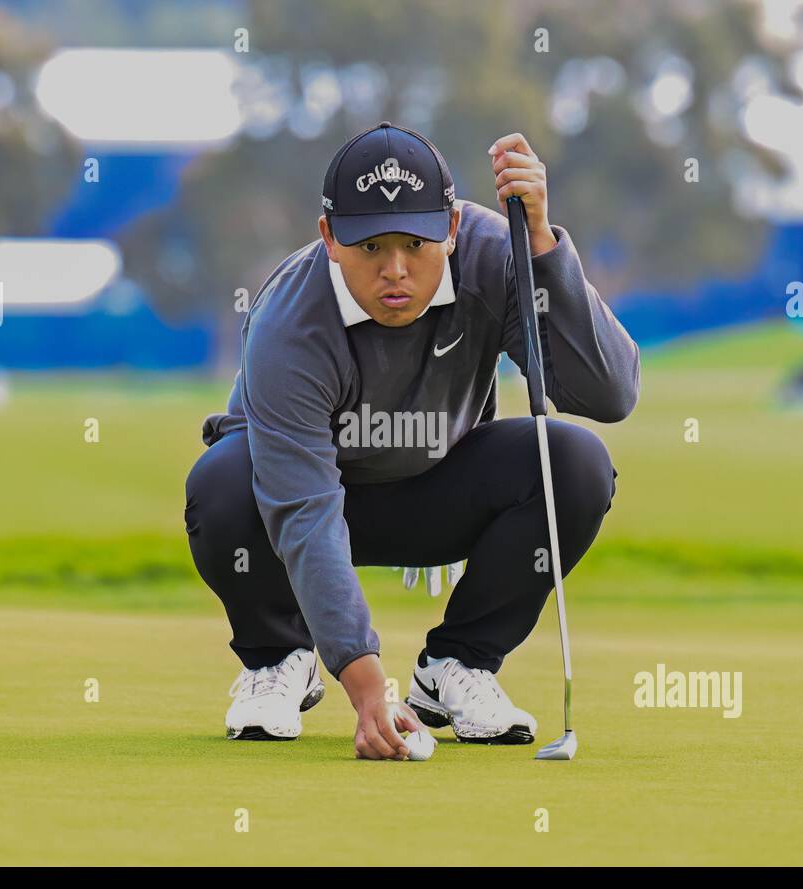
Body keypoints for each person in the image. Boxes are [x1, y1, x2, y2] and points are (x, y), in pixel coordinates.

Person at [184, 122, 640, 759]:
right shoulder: (289, 320)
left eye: (416, 244)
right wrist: (367, 685)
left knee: (575, 464)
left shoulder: (496, 255)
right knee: (221, 483)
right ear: (330, 238)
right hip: (302, 504)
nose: (395, 270)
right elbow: (304, 510)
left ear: (451, 228)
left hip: (436, 491)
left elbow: (608, 394)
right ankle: (278, 659)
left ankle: (459, 664)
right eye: (370, 246)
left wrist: (541, 247)